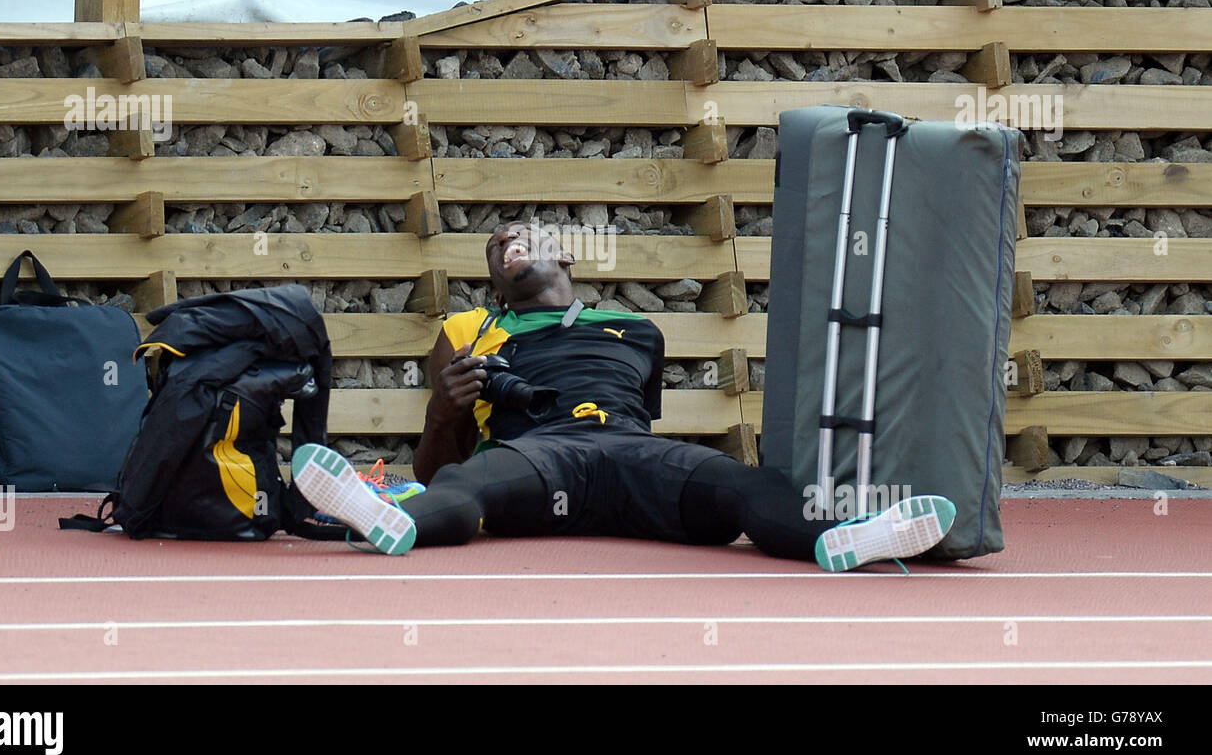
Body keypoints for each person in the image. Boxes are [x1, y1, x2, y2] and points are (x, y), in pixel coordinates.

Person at [291, 220, 955, 569]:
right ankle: (392, 525)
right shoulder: (471, 330)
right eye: (496, 249)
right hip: (539, 459)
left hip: (636, 459)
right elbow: (435, 468)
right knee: (467, 486)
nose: (506, 244)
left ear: (568, 258)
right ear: (496, 283)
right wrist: (444, 409)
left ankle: (846, 540)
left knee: (745, 487)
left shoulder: (638, 330)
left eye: (521, 236)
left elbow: (637, 415)